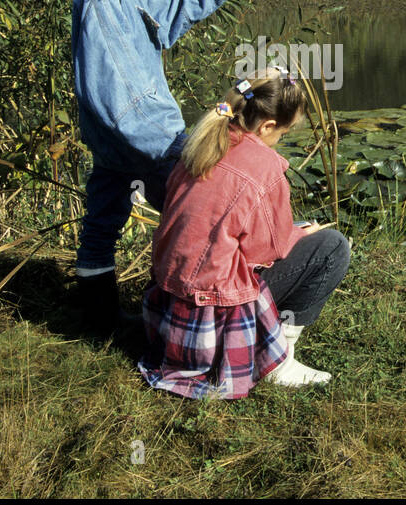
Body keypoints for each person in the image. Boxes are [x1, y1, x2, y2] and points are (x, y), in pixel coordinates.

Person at [70, 0, 266, 336]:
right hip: (139, 139)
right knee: (195, 210)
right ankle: (195, 313)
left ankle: (98, 320)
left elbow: (174, 1)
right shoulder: (101, 3)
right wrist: (175, 146)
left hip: (116, 141)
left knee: (103, 217)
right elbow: (120, 91)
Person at [139, 68, 351, 399]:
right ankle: (280, 361)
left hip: (168, 309)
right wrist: (299, 234)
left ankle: (270, 352)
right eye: (284, 132)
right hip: (212, 318)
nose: (281, 139)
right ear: (267, 126)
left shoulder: (198, 144)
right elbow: (267, 252)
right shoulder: (265, 167)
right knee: (332, 247)